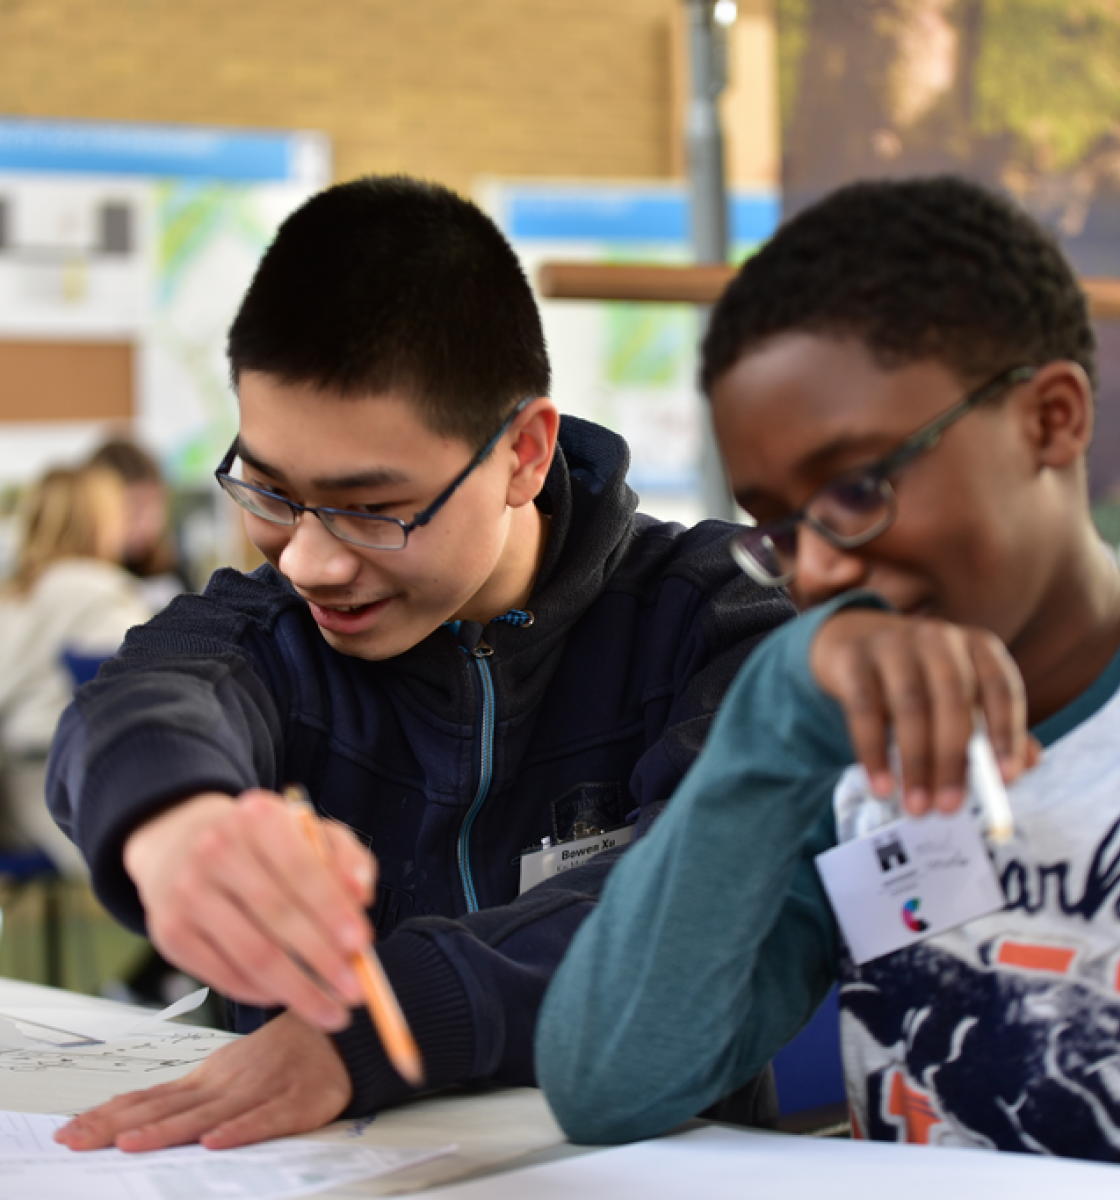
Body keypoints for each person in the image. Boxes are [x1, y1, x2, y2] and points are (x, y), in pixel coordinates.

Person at [48, 175, 793, 1153]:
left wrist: (373, 1026)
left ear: (524, 453)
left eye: (371, 508)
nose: (312, 562)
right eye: (267, 493)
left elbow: (694, 908)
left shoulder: (713, 616)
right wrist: (175, 819)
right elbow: (145, 704)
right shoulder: (270, 636)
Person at [535, 175, 1120, 1171]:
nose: (823, 570)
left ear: (1050, 419)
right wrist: (776, 713)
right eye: (779, 532)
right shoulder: (829, 749)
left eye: (858, 488)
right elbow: (607, 1083)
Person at [0, 465, 149, 875]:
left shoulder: (15, 595)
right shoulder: (95, 589)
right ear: (98, 522)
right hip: (67, 787)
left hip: (13, 797)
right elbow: (154, 677)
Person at [89, 434, 191, 609]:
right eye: (133, 511)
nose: (148, 526)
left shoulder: (171, 571)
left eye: (155, 509)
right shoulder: (83, 579)